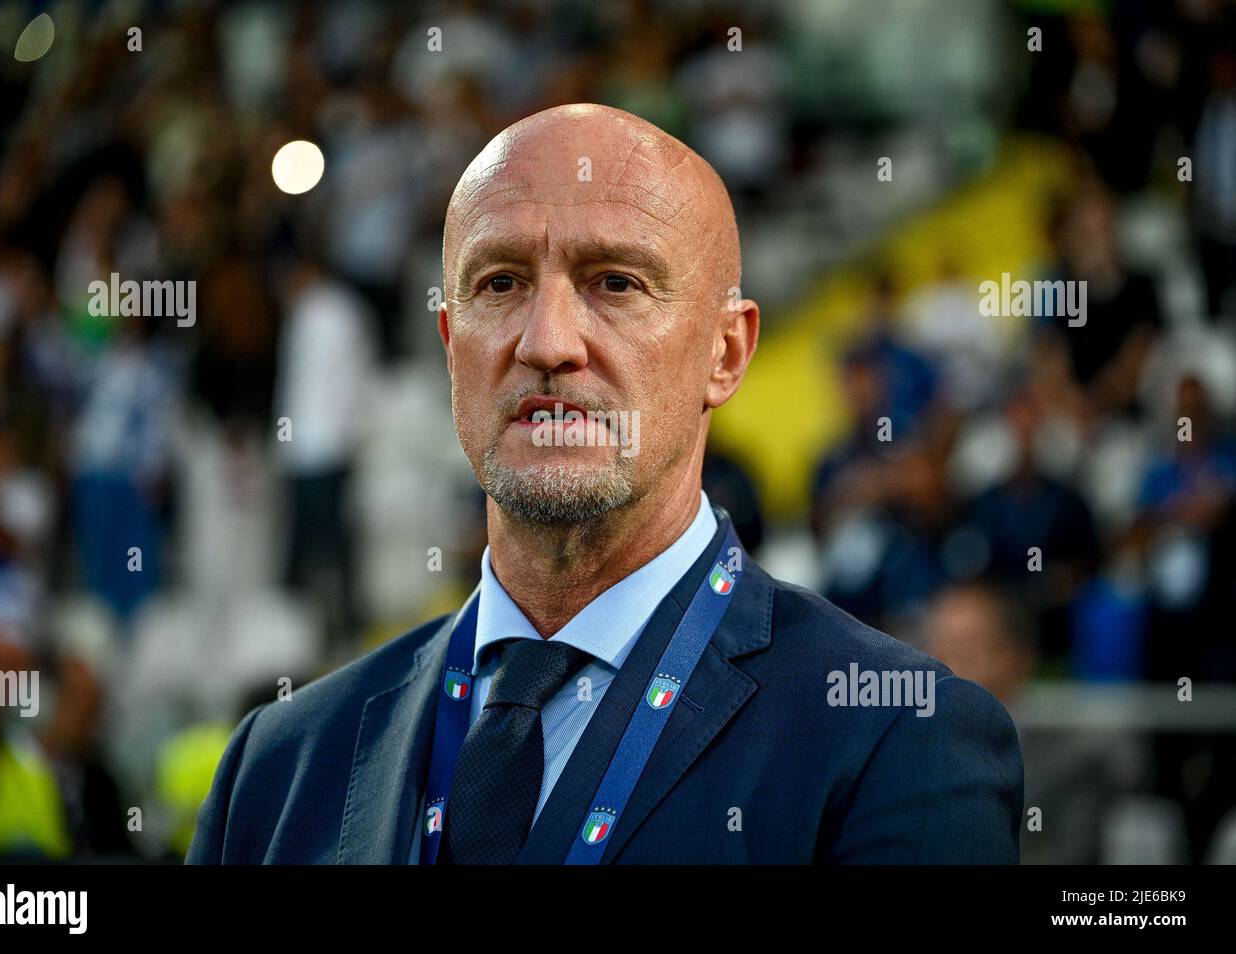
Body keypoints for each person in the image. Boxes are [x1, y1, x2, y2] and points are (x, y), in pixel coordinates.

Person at [187, 104, 1022, 865]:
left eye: (615, 283)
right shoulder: (276, 770)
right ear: (450, 344)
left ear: (725, 353)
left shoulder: (897, 744)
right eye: (501, 283)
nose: (548, 342)